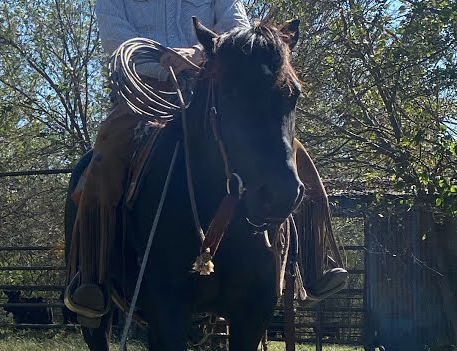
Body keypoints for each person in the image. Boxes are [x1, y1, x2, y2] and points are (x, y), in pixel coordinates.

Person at [67, 1, 346, 321]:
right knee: (106, 158)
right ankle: (93, 275)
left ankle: (313, 264)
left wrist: (200, 56)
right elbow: (118, 44)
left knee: (286, 150)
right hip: (144, 95)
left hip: (218, 87)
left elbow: (238, 31)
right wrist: (169, 61)